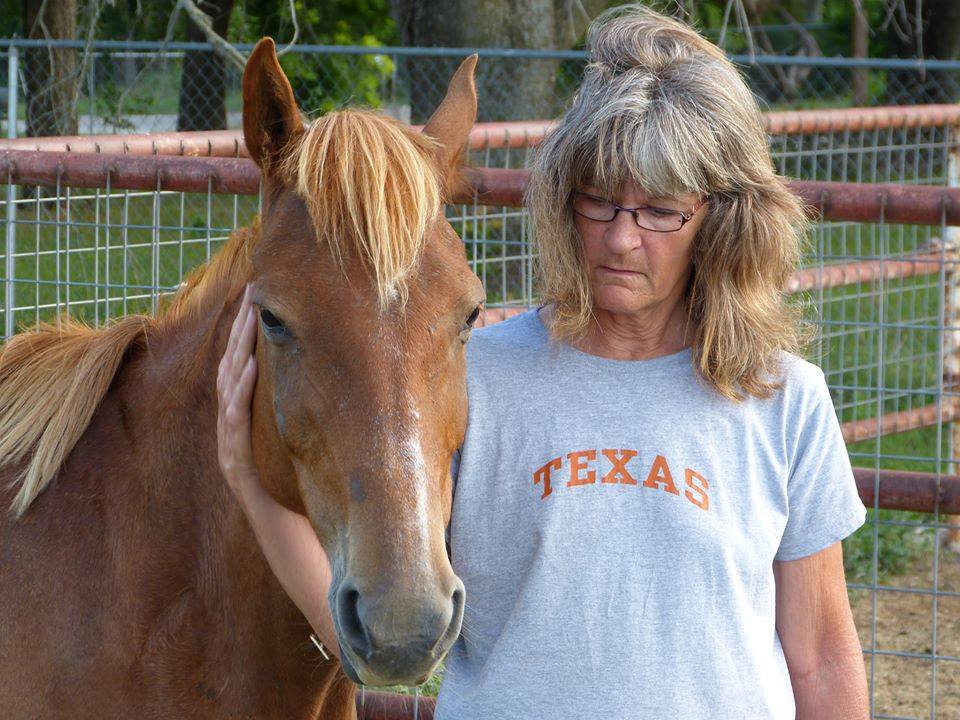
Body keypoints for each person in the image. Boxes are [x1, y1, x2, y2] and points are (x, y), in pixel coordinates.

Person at [217, 5, 869, 718]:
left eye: (659, 211)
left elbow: (822, 658)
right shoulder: (477, 377)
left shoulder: (784, 401)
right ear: (564, 199)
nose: (622, 240)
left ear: (720, 217)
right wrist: (247, 479)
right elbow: (372, 621)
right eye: (600, 203)